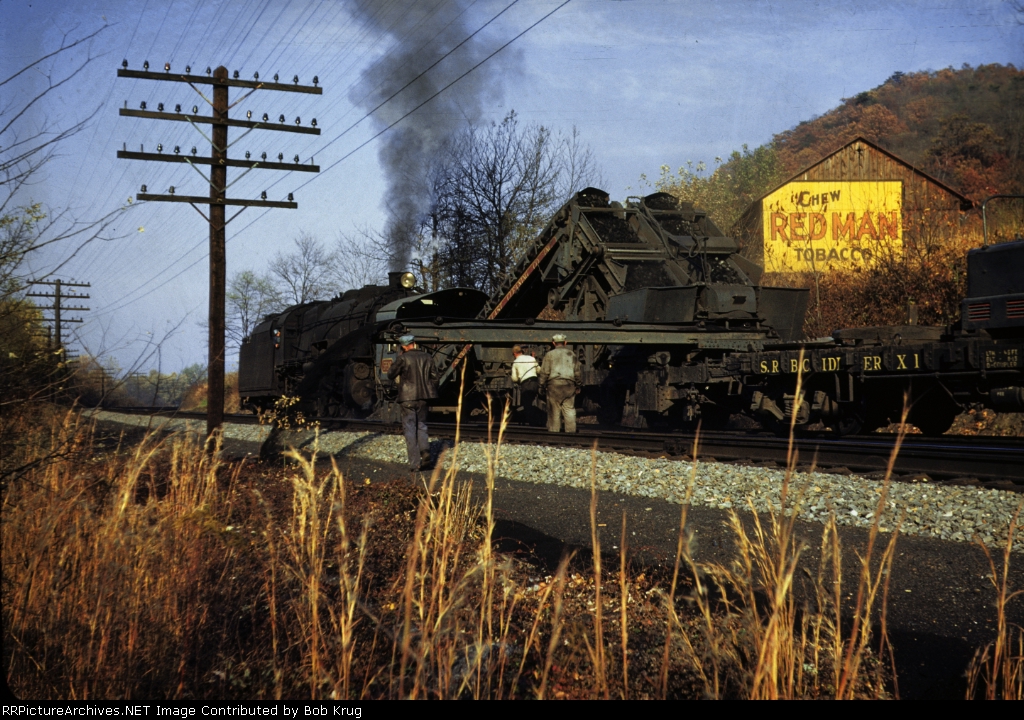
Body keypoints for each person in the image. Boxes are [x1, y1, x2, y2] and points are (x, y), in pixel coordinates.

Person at [387, 334, 438, 472]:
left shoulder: (402, 358)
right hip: (424, 398)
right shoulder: (427, 357)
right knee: (422, 426)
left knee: (410, 428)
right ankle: (425, 451)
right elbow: (435, 378)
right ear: (414, 343)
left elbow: (390, 374)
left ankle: (415, 464)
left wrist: (398, 358)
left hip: (407, 398)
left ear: (403, 346)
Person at [538, 334, 580, 433]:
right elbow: (577, 372)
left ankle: (554, 433)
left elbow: (544, 372)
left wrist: (541, 385)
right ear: (565, 343)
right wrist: (578, 385)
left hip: (554, 385)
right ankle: (571, 432)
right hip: (569, 385)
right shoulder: (572, 354)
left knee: (554, 411)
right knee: (569, 410)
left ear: (553, 343)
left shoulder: (549, 355)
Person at [510, 344, 539, 414]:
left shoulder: (516, 362)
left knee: (527, 403)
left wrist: (517, 380)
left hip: (526, 384)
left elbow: (514, 378)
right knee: (533, 399)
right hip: (535, 382)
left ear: (514, 353)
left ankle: (532, 421)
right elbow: (539, 370)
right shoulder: (531, 358)